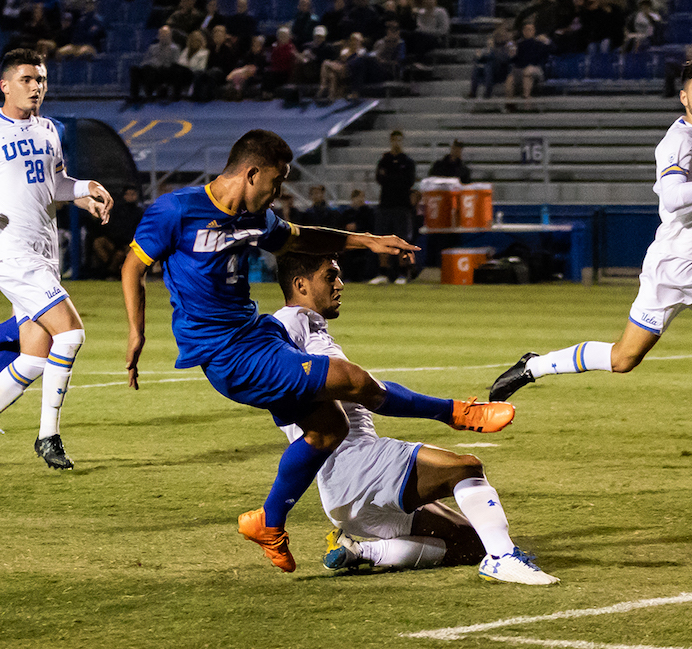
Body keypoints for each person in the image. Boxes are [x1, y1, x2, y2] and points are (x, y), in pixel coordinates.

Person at [121, 129, 516, 573]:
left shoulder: (256, 218)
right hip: (224, 352)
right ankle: (456, 412)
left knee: (330, 426)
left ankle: (268, 522)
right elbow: (134, 266)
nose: (278, 192)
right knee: (350, 380)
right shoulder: (175, 210)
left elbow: (302, 237)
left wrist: (367, 240)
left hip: (252, 334)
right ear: (252, 173)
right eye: (276, 181)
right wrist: (137, 332)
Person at [490, 59, 692, 474]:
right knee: (623, 359)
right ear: (684, 97)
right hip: (670, 272)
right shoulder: (677, 140)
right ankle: (533, 366)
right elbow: (672, 197)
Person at [272, 252, 558, 584]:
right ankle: (503, 560)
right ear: (300, 284)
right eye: (330, 276)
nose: (340, 285)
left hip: (345, 487)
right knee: (465, 468)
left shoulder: (309, 327)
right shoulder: (288, 327)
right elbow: (372, 393)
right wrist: (453, 411)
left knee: (473, 543)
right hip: (356, 467)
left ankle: (363, 552)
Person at [0, 48, 114, 470]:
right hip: (10, 251)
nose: (36, 86)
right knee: (71, 334)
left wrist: (86, 191)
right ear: (5, 84)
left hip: (44, 251)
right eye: (27, 79)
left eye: (41, 80)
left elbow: (56, 183)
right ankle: (49, 436)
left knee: (34, 353)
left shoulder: (49, 128)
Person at [371, 129, 416, 285]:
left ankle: (402, 274)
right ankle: (383, 273)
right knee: (383, 239)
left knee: (401, 240)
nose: (396, 144)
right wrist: (396, 178)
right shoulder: (384, 160)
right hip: (385, 205)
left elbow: (408, 181)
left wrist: (391, 178)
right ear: (390, 141)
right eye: (394, 140)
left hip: (402, 206)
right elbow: (380, 179)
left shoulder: (408, 162)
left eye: (399, 140)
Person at [91, 186, 143, 279]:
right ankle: (110, 268)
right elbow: (109, 226)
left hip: (129, 244)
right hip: (113, 241)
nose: (130, 196)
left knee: (120, 254)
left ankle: (111, 273)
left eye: (133, 194)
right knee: (99, 242)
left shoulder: (140, 213)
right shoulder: (116, 210)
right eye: (128, 194)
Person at [130, 24, 180, 102]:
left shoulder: (175, 49)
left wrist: (160, 65)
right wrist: (149, 64)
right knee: (135, 69)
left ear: (170, 36)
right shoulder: (152, 47)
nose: (163, 36)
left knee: (152, 71)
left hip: (163, 71)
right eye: (161, 34)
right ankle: (134, 96)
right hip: (150, 69)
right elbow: (145, 61)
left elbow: (175, 64)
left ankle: (149, 93)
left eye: (165, 34)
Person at [505, 23, 552, 104]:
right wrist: (512, 55)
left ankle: (527, 103)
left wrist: (547, 41)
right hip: (520, 70)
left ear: (534, 31)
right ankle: (509, 106)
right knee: (510, 79)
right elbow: (513, 61)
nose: (528, 31)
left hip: (536, 70)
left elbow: (554, 49)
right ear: (523, 31)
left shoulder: (539, 43)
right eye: (526, 30)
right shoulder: (518, 45)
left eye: (530, 29)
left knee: (528, 71)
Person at [468, 24, 514, 100]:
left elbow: (506, 58)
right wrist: (479, 56)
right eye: (498, 33)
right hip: (490, 72)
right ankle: (473, 92)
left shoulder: (510, 44)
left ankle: (488, 92)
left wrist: (490, 53)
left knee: (488, 65)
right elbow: (482, 59)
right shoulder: (492, 45)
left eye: (502, 33)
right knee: (477, 68)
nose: (500, 35)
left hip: (502, 71)